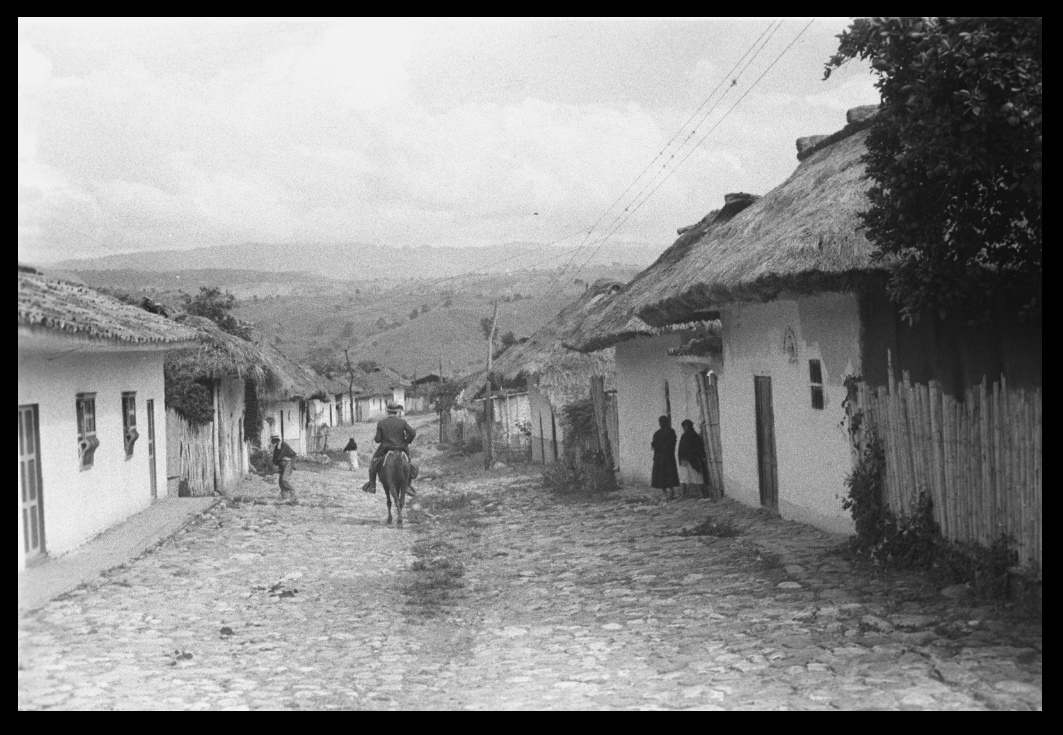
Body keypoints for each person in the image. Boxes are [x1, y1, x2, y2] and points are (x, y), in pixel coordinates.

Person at [361, 404, 417, 495]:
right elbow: (413, 433)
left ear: (388, 411)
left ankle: (372, 486)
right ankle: (407, 486)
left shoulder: (381, 423)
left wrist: (376, 438)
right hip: (401, 448)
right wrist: (406, 443)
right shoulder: (402, 422)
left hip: (385, 448)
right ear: (397, 412)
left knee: (373, 463)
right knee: (409, 463)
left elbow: (378, 439)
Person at [651, 415, 680, 499]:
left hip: (660, 457)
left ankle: (664, 493)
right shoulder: (671, 432)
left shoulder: (657, 433)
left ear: (660, 423)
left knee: (661, 475)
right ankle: (672, 491)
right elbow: (673, 443)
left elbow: (654, 446)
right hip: (669, 456)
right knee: (670, 473)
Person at [677, 419, 707, 498]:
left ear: (686, 427)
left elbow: (681, 449)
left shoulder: (685, 436)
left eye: (683, 427)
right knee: (697, 477)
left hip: (686, 460)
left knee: (684, 478)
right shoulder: (696, 436)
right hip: (694, 460)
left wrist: (681, 459)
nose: (683, 429)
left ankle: (684, 495)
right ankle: (702, 494)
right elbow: (700, 448)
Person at [270, 435, 297, 500]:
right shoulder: (276, 447)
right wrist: (274, 463)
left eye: (273, 440)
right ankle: (284, 496)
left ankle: (293, 491)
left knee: (284, 480)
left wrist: (293, 465)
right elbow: (275, 457)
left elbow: (282, 455)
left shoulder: (284, 444)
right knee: (281, 482)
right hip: (282, 465)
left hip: (288, 463)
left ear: (276, 439)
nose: (272, 441)